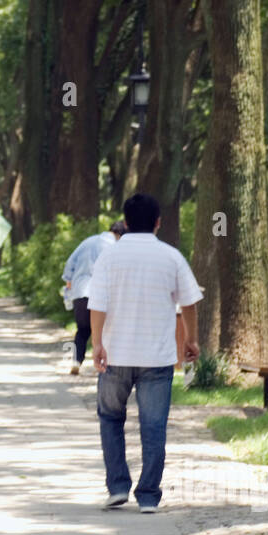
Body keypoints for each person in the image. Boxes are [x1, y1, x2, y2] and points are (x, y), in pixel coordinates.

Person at [87, 194, 201, 512]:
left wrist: (97, 343)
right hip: (158, 357)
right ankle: (148, 496)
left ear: (124, 222)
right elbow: (189, 301)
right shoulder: (171, 256)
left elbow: (97, 304)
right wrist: (190, 339)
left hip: (115, 355)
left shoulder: (109, 257)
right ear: (157, 222)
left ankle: (118, 487)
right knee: (154, 426)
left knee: (110, 418)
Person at [62, 220, 126, 374]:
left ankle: (76, 361)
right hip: (100, 294)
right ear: (120, 234)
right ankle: (103, 364)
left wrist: (69, 284)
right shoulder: (115, 247)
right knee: (105, 331)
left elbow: (69, 266)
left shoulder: (87, 242)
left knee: (82, 330)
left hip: (79, 292)